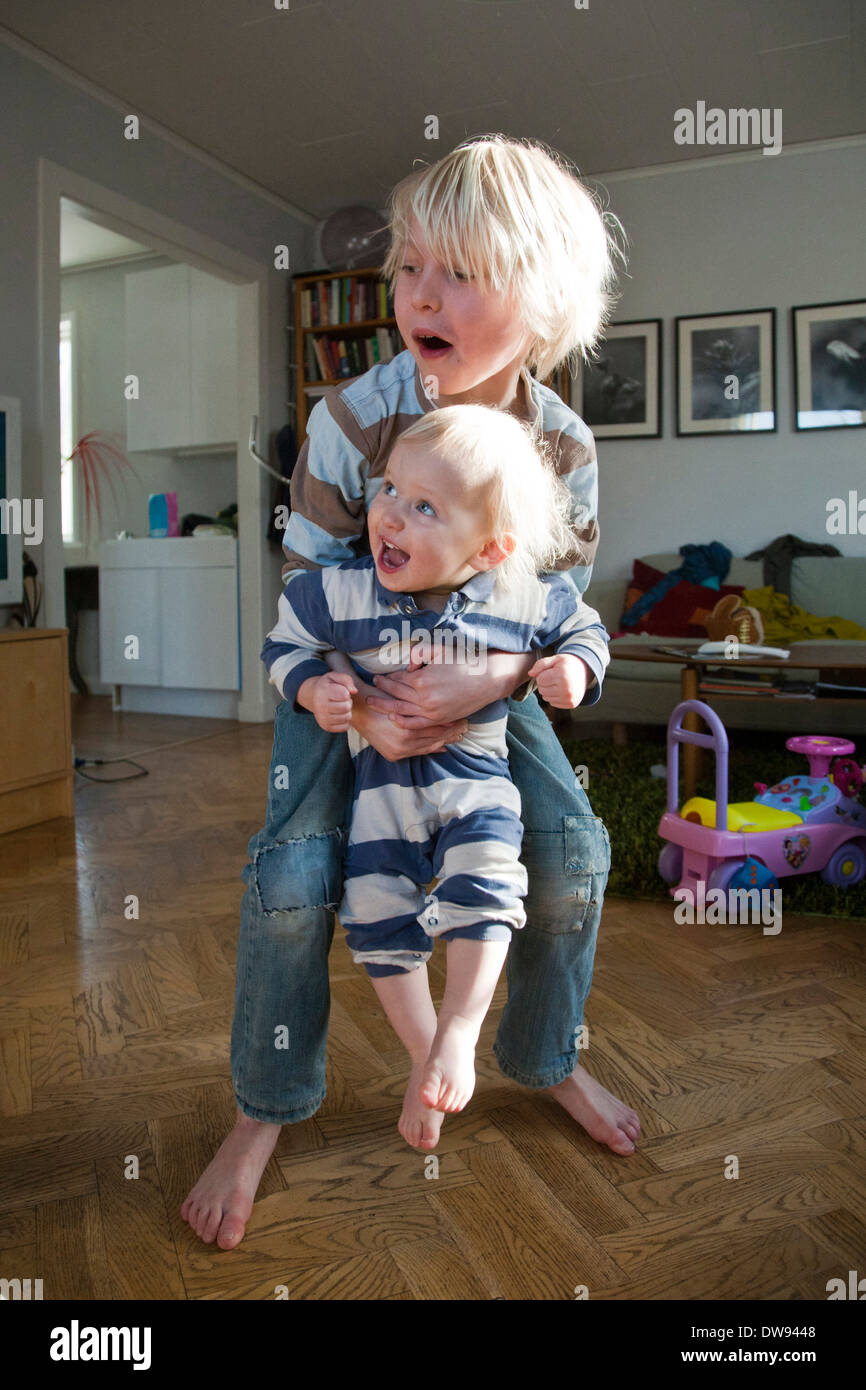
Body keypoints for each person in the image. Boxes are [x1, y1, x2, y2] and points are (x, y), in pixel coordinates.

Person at [182, 134, 640, 1252]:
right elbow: (303, 587)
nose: (415, 296)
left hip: (487, 674)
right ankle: (264, 1106)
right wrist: (357, 695)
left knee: (573, 850)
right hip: (348, 675)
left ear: (540, 302)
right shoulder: (348, 422)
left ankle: (541, 1058)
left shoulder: (563, 446)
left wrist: (487, 679)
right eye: (405, 268)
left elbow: (559, 607)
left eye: (455, 274)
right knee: (292, 875)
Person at [261, 404, 611, 1140]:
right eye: (388, 489)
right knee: (374, 913)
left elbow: (585, 625)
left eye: (424, 508)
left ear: (489, 549)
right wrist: (310, 688)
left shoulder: (518, 597)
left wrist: (573, 668)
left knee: (488, 889)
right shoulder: (345, 591)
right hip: (380, 798)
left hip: (477, 789)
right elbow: (286, 635)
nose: (389, 516)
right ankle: (427, 1062)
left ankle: (458, 1031)